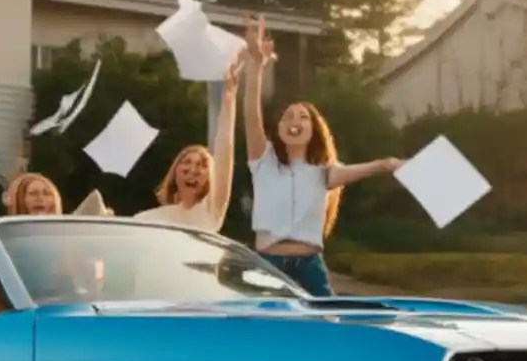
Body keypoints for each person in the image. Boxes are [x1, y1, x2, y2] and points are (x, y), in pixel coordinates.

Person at [241, 15, 404, 296]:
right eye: (288, 116)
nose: (294, 120)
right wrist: (256, 66)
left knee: (327, 318)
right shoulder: (263, 162)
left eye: (302, 117)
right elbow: (251, 118)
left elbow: (364, 169)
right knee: (265, 320)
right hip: (269, 264)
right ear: (278, 129)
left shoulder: (323, 173)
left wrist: (388, 164)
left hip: (309, 266)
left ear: (313, 130)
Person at [134, 52, 246, 233]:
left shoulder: (210, 211)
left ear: (210, 177)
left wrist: (229, 100)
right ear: (175, 173)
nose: (193, 170)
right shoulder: (149, 219)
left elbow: (225, 150)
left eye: (202, 165)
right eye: (186, 163)